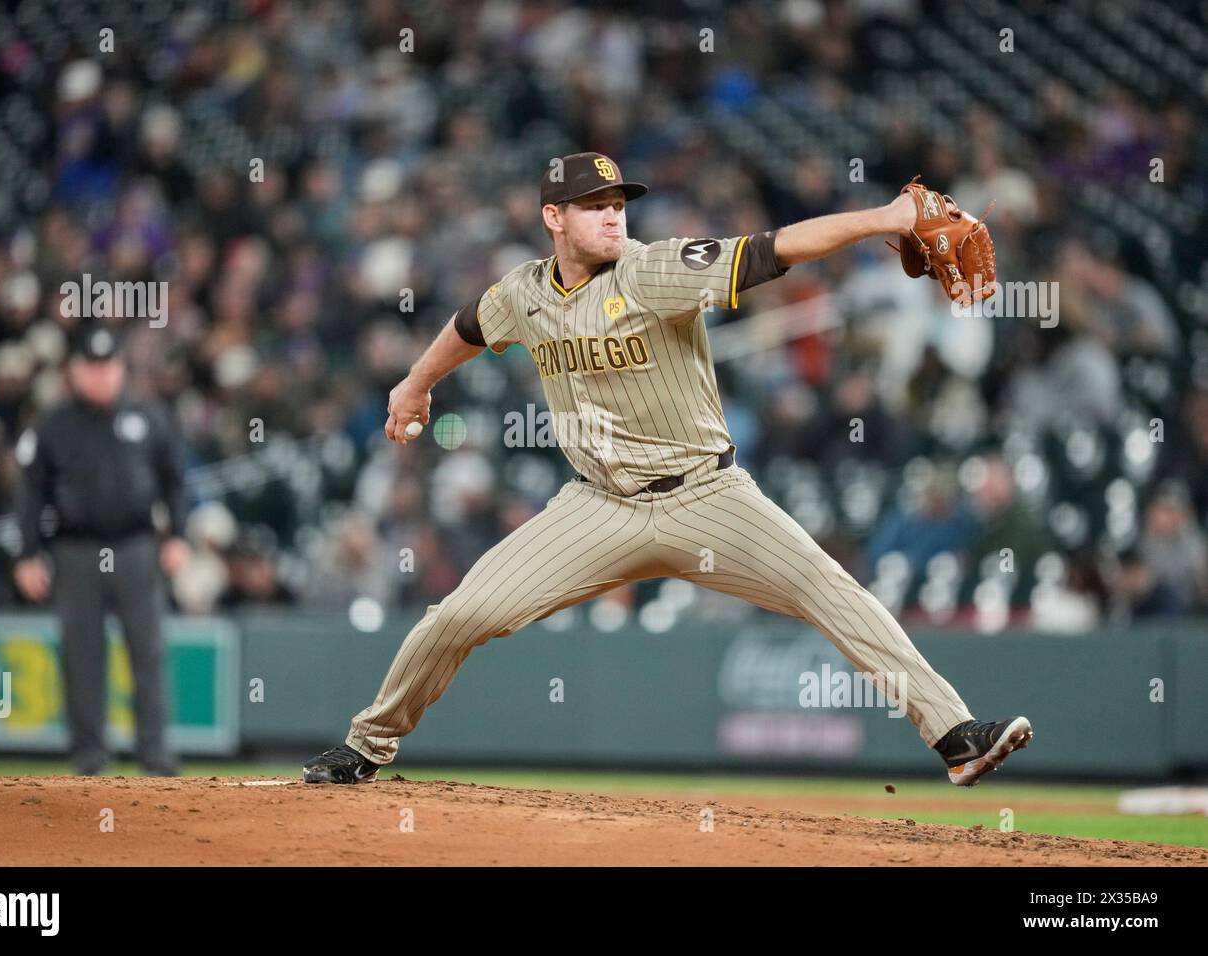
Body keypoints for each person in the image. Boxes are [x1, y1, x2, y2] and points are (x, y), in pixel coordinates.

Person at [303, 153, 1033, 787]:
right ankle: (368, 746)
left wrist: (890, 215)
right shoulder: (524, 292)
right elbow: (469, 325)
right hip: (598, 508)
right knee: (459, 615)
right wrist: (415, 384)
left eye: (619, 204)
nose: (613, 216)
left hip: (707, 496)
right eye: (595, 207)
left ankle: (954, 736)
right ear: (553, 216)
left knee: (826, 586)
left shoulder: (653, 269)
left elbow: (775, 249)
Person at [13, 324, 190, 776]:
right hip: (75, 552)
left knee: (147, 651)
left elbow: (175, 481)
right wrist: (27, 553)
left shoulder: (149, 417)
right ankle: (89, 755)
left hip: (136, 546)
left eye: (107, 367)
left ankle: (154, 752)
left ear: (121, 369)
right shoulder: (54, 425)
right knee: (82, 655)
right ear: (75, 372)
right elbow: (31, 493)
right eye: (91, 368)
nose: (100, 376)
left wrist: (178, 536)